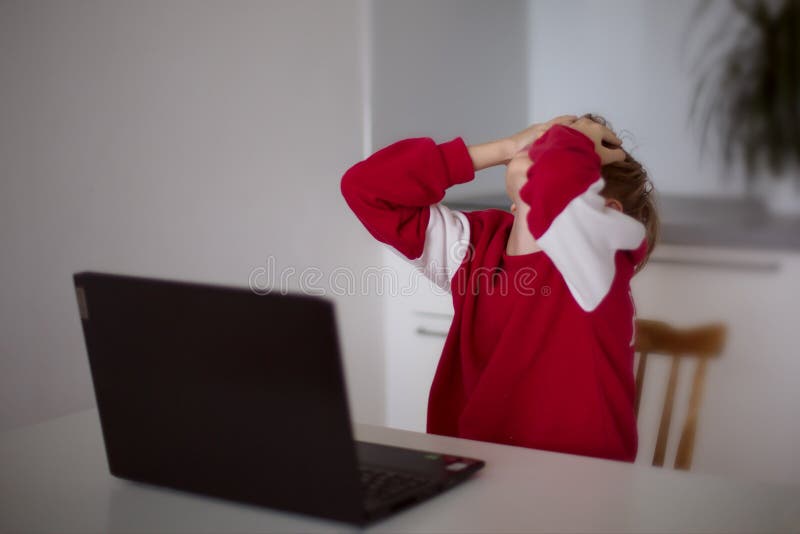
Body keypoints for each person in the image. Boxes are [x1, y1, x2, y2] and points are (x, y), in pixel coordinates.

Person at [341, 114, 659, 461]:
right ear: (512, 204)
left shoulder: (603, 261)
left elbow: (552, 184)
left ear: (607, 217)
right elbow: (365, 188)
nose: (543, 146)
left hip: (575, 487)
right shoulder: (474, 245)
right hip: (476, 474)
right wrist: (502, 148)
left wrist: (573, 139)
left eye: (554, 147)